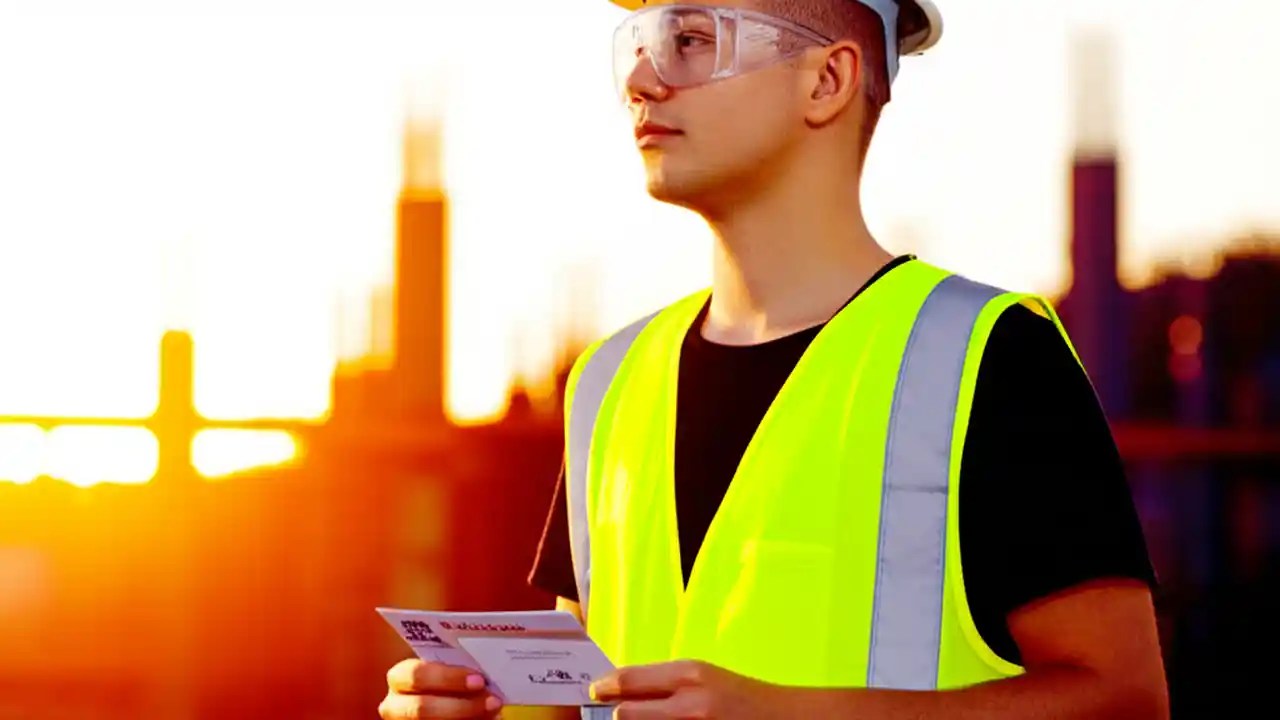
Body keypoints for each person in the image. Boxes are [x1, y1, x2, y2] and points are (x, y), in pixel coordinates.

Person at [380, 1, 1170, 718]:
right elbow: (587, 693)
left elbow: (1123, 701)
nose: (643, 80)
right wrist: (481, 707)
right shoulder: (609, 381)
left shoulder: (988, 356)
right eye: (638, 44)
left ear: (827, 80)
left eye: (690, 39)